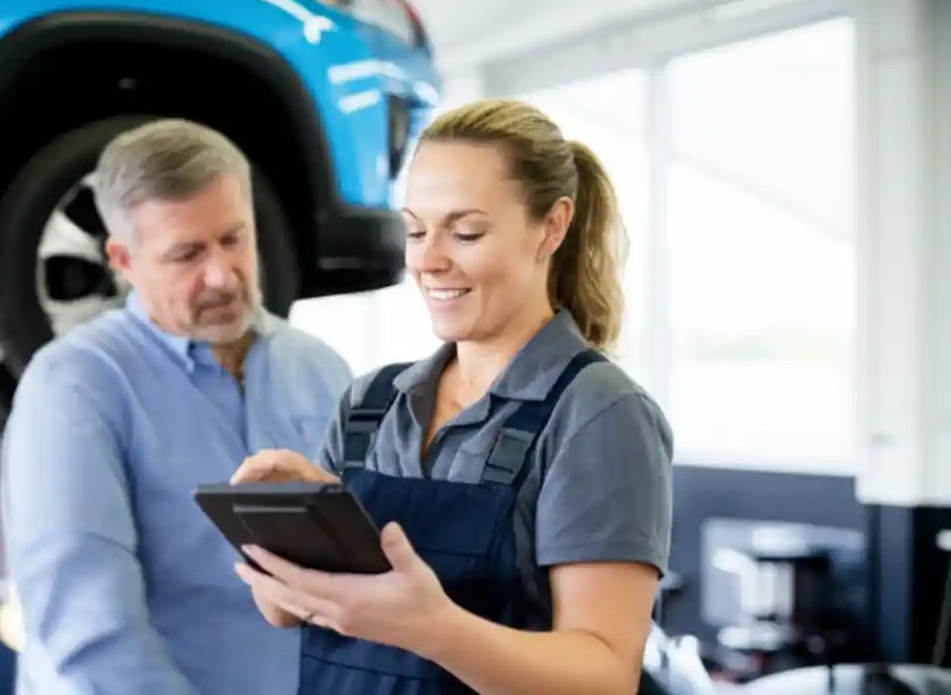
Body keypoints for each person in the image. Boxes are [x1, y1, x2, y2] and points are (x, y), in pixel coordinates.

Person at [231, 98, 674, 695]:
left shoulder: (598, 413)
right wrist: (289, 536)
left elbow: (603, 675)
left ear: (552, 226)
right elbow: (288, 614)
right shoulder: (370, 404)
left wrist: (434, 630)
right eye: (415, 230)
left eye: (466, 232)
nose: (428, 260)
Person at [0, 118, 353, 694]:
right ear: (123, 259)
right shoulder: (74, 385)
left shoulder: (320, 369)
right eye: (186, 254)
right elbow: (89, 632)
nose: (221, 275)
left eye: (234, 239)